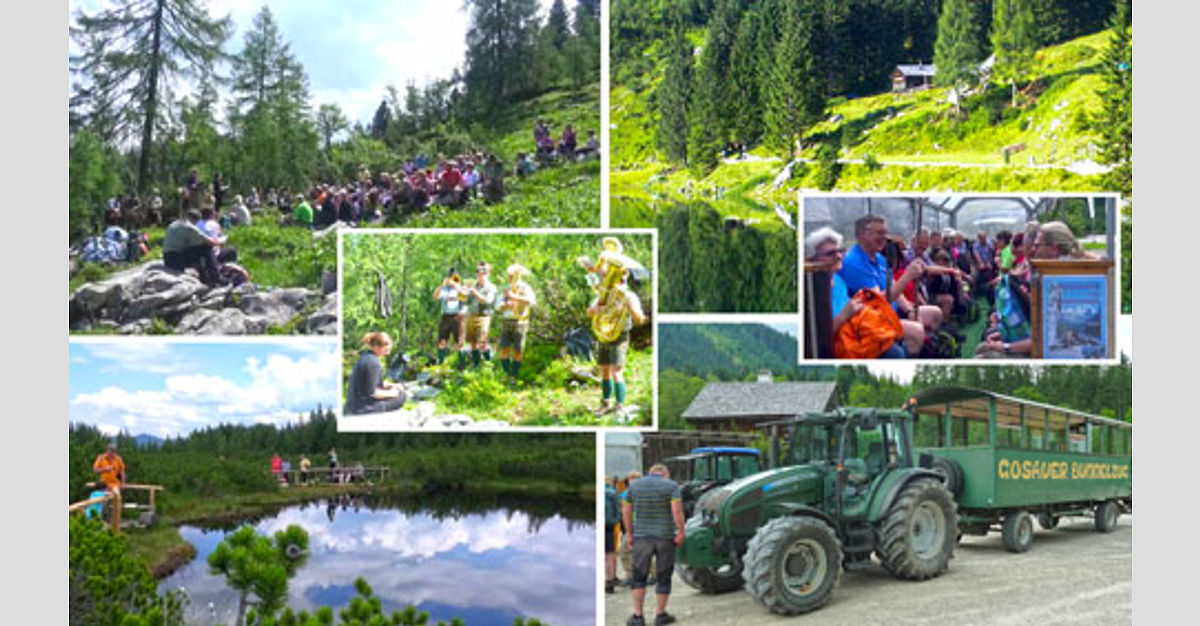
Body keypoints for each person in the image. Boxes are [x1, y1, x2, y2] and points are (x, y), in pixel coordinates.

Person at [837, 215, 926, 358]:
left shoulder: (879, 258)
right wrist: (908, 276)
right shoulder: (853, 262)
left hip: (892, 313)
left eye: (886, 233)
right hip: (872, 323)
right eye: (880, 233)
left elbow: (892, 286)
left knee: (933, 314)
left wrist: (909, 309)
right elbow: (877, 301)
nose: (885, 238)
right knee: (916, 332)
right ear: (862, 233)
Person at [623, 463, 685, 626]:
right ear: (665, 473)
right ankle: (660, 615)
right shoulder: (671, 486)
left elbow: (626, 511)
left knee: (639, 577)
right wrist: (681, 531)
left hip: (641, 537)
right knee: (664, 576)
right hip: (665, 537)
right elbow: (677, 511)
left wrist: (629, 534)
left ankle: (638, 616)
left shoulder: (634, 485)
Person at [589, 255, 647, 418]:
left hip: (619, 336)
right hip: (603, 336)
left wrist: (630, 307)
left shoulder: (629, 296)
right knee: (604, 370)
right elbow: (589, 312)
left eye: (615, 276)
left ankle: (620, 405)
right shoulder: (604, 295)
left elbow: (639, 319)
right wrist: (596, 310)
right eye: (609, 276)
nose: (612, 280)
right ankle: (606, 402)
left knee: (616, 371)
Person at [806, 228, 864, 336]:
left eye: (840, 251)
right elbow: (817, 336)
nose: (838, 256)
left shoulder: (838, 279)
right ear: (813, 259)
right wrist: (844, 315)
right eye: (830, 253)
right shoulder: (812, 289)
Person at [345, 332, 407, 414]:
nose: (389, 348)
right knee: (402, 396)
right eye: (386, 346)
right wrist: (393, 393)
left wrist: (391, 385)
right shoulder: (373, 363)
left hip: (354, 404)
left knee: (397, 392)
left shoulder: (366, 357)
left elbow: (369, 384)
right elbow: (373, 393)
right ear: (376, 347)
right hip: (363, 408)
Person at [497, 264, 536, 381]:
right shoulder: (505, 288)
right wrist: (505, 304)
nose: (510, 277)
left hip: (520, 321)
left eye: (513, 275)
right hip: (506, 320)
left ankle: (514, 375)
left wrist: (515, 297)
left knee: (518, 350)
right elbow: (497, 305)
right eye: (509, 275)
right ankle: (506, 374)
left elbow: (532, 302)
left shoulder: (526, 288)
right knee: (504, 348)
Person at [162, 210, 224, 285]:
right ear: (196, 220)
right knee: (206, 248)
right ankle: (216, 276)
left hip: (167, 258)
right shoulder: (189, 227)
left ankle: (205, 276)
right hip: (176, 261)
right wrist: (221, 240)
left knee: (197, 250)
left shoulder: (173, 224)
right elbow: (211, 242)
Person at [464, 262, 498, 370]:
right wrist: (462, 292)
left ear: (487, 275)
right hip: (471, 316)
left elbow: (487, 301)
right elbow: (466, 301)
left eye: (482, 274)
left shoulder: (491, 287)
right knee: (473, 343)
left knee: (482, 343)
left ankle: (490, 366)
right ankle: (476, 366)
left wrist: (474, 292)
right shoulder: (474, 287)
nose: (480, 276)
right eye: (478, 274)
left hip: (484, 316)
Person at [433, 270, 468, 365]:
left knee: (459, 343)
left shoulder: (461, 288)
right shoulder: (444, 289)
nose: (452, 280)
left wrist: (456, 285)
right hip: (446, 316)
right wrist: (442, 285)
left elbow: (465, 297)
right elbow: (435, 296)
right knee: (442, 341)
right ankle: (441, 363)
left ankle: (461, 365)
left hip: (459, 316)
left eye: (454, 277)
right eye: (450, 277)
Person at [605, 477, 622, 594]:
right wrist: (615, 521)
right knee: (610, 554)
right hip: (609, 526)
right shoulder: (612, 493)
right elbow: (619, 510)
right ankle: (610, 581)